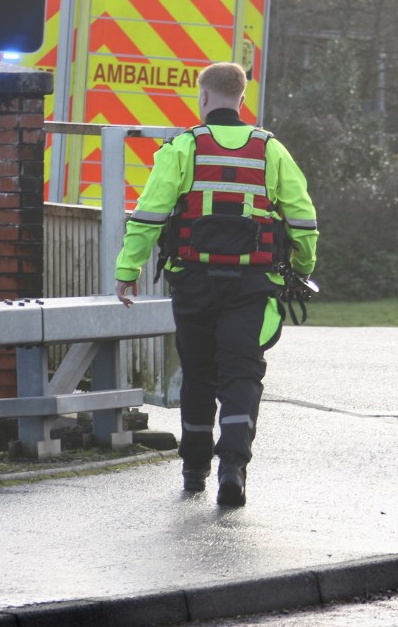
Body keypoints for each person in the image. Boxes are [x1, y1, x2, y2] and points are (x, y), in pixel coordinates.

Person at [114, 62, 317, 508]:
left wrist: (128, 270)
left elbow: (149, 215)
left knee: (199, 373)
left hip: (194, 281)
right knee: (241, 372)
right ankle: (233, 469)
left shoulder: (182, 148)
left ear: (203, 98)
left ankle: (194, 470)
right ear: (242, 100)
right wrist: (302, 266)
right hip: (252, 284)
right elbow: (302, 218)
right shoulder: (271, 150)